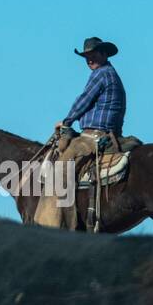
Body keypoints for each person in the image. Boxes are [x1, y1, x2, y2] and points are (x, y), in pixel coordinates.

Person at [34, 37, 126, 228]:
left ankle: (59, 223)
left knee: (61, 166)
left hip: (95, 135)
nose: (89, 59)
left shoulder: (102, 74)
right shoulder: (110, 74)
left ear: (103, 54)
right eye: (86, 56)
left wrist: (67, 122)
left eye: (92, 55)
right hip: (106, 132)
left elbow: (84, 100)